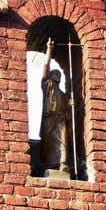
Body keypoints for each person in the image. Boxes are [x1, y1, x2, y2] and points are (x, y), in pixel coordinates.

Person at [40, 38, 69, 171]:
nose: (57, 75)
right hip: (49, 117)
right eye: (55, 73)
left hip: (60, 119)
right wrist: (49, 51)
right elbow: (46, 67)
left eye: (59, 74)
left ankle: (63, 163)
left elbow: (67, 111)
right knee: (48, 142)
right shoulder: (48, 86)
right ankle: (49, 163)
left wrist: (71, 105)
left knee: (63, 139)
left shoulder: (63, 94)